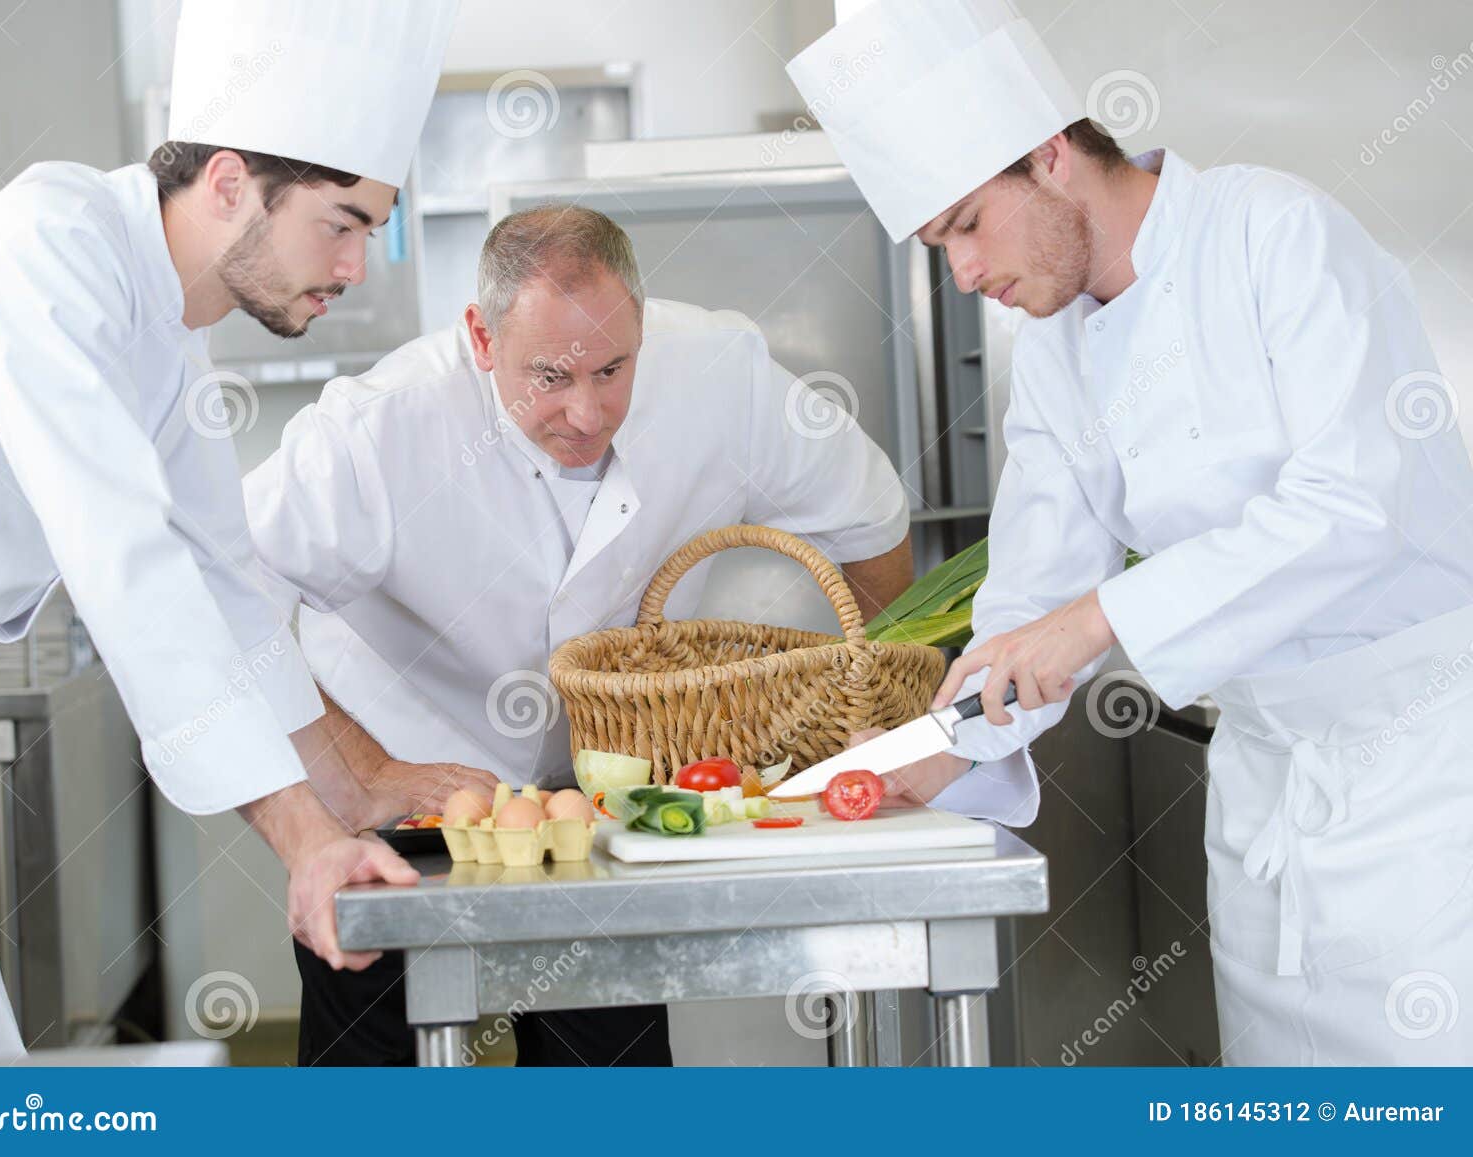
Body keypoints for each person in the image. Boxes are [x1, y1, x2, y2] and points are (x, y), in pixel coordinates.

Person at [791, 0, 1473, 1064]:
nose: (962, 274)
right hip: (1265, 788)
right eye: (936, 246)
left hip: (1426, 776)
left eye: (967, 223)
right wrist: (926, 755)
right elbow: (1028, 603)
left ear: (1050, 154)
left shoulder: (1273, 235)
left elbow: (1355, 502)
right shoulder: (1057, 351)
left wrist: (1097, 618)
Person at [0, 0, 459, 1062]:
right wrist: (303, 839)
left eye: (371, 229)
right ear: (230, 181)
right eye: (341, 222)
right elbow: (128, 567)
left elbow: (222, 581)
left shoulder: (167, 326)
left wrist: (352, 789)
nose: (356, 266)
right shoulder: (49, 245)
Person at [243, 204, 915, 1065]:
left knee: (612, 1094)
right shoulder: (377, 430)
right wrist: (361, 770)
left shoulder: (720, 375)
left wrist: (892, 720)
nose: (589, 411)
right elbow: (224, 601)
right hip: (400, 803)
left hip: (597, 811)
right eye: (550, 377)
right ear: (482, 339)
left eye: (612, 368)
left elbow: (869, 513)